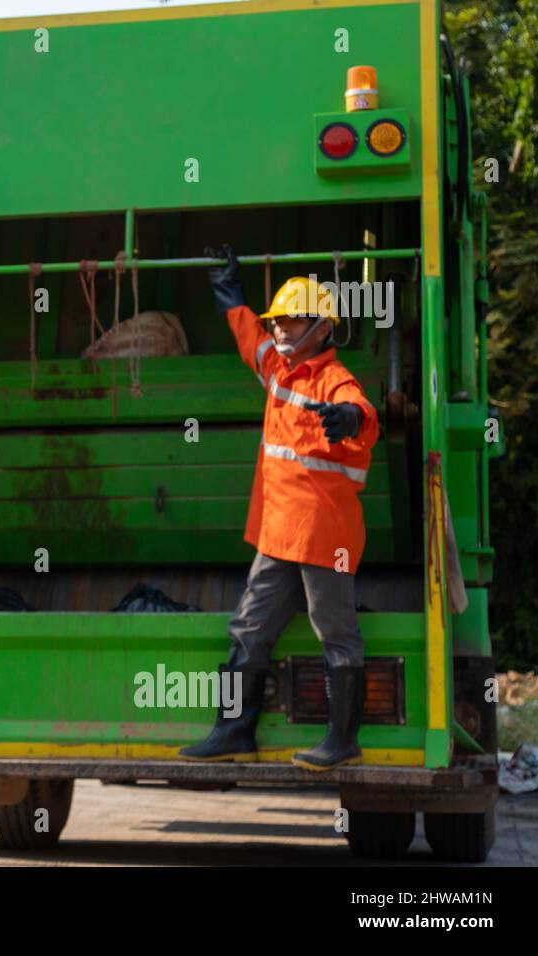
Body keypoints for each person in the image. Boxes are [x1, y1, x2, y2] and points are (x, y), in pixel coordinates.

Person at [180, 245, 379, 771]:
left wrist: (350, 420)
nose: (282, 331)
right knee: (248, 628)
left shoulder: (334, 380)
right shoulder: (277, 369)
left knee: (334, 631)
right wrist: (227, 288)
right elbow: (249, 335)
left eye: (292, 322)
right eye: (280, 322)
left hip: (323, 534)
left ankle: (342, 741)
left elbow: (362, 410)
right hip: (280, 534)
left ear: (322, 327)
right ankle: (233, 731)